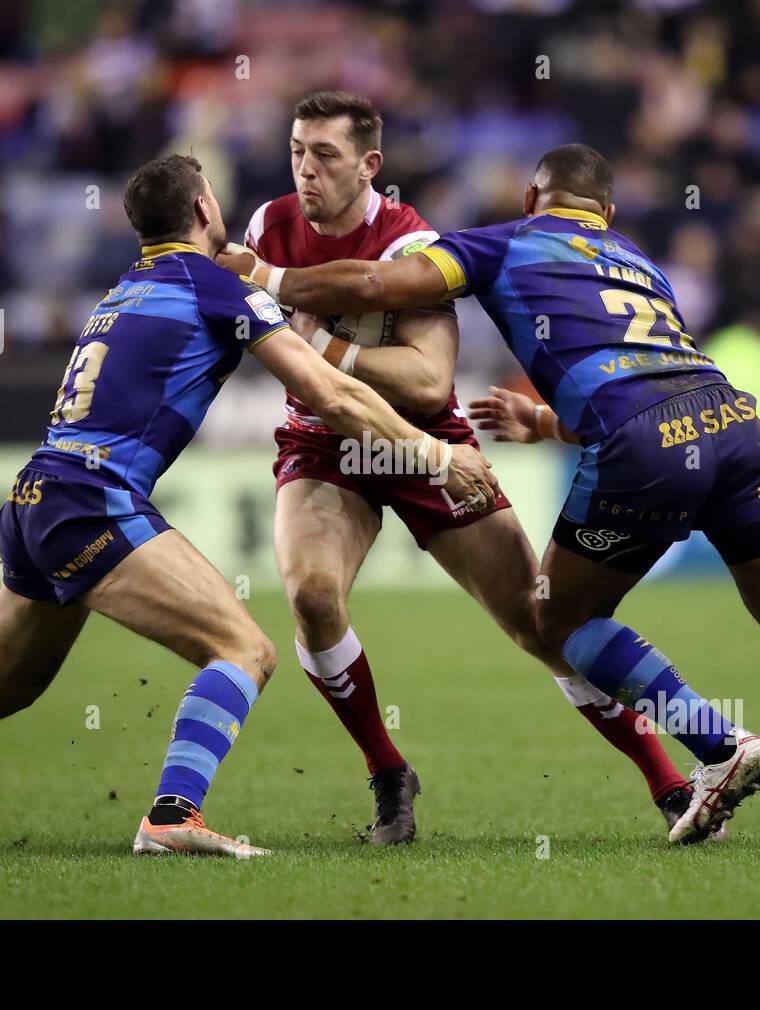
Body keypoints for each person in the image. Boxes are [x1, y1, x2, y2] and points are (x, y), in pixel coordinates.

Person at [220, 143, 760, 846]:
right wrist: (550, 422)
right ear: (609, 213)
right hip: (732, 424)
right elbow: (652, 372)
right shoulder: (636, 260)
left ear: (531, 200)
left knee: (558, 618)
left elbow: (372, 281)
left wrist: (267, 278)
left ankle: (720, 747)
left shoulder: (505, 243)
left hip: (643, 448)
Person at [0, 153, 497, 857]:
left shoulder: (125, 286)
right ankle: (170, 816)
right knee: (243, 648)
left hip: (36, 494)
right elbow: (331, 394)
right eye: (215, 199)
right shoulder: (213, 284)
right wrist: (437, 455)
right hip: (93, 499)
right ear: (202, 212)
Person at [233, 91, 694, 845]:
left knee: (543, 624)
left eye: (326, 156)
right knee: (314, 599)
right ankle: (389, 773)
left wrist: (313, 346)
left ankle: (670, 783)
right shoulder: (267, 227)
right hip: (323, 443)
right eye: (297, 151)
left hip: (428, 445)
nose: (306, 170)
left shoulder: (410, 245)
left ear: (370, 166)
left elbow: (423, 380)